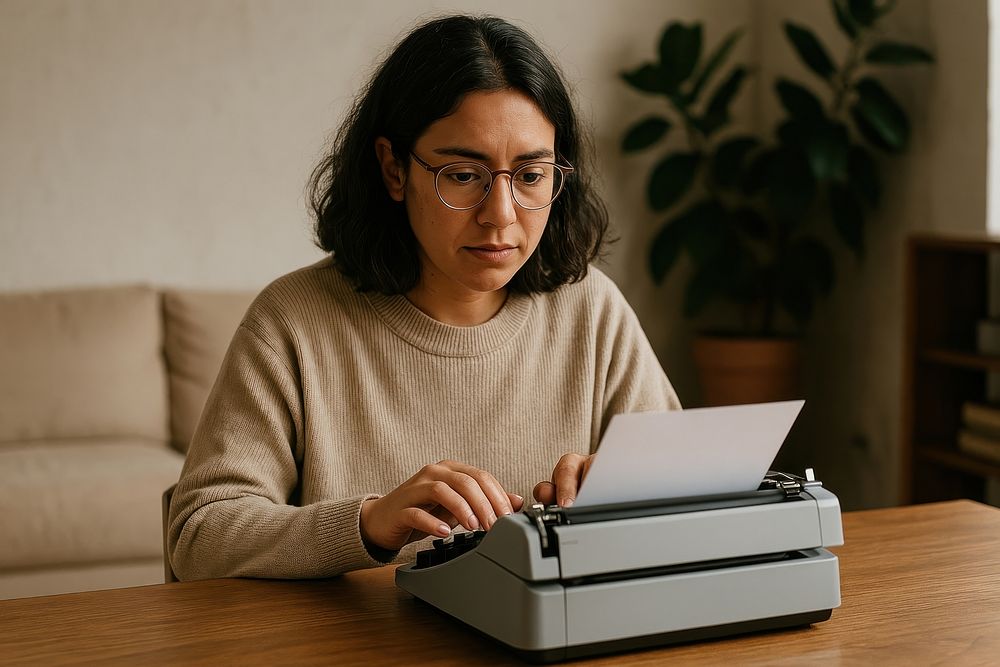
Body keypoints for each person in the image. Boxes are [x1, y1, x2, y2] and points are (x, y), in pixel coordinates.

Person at [167, 14, 681, 581]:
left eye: (531, 175)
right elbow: (198, 536)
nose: (501, 215)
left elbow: (691, 499)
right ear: (393, 168)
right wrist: (366, 524)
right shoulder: (293, 321)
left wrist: (621, 493)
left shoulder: (592, 310)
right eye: (463, 175)